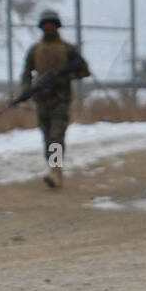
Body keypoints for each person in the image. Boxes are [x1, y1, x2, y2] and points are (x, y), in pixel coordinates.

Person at [20, 10, 90, 188]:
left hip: (61, 100)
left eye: (51, 24)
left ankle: (56, 171)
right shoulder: (35, 50)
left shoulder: (68, 49)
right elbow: (26, 73)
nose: (48, 27)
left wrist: (64, 77)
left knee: (56, 136)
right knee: (47, 138)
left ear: (57, 26)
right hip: (42, 100)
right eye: (45, 25)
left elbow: (83, 71)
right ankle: (53, 166)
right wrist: (26, 91)